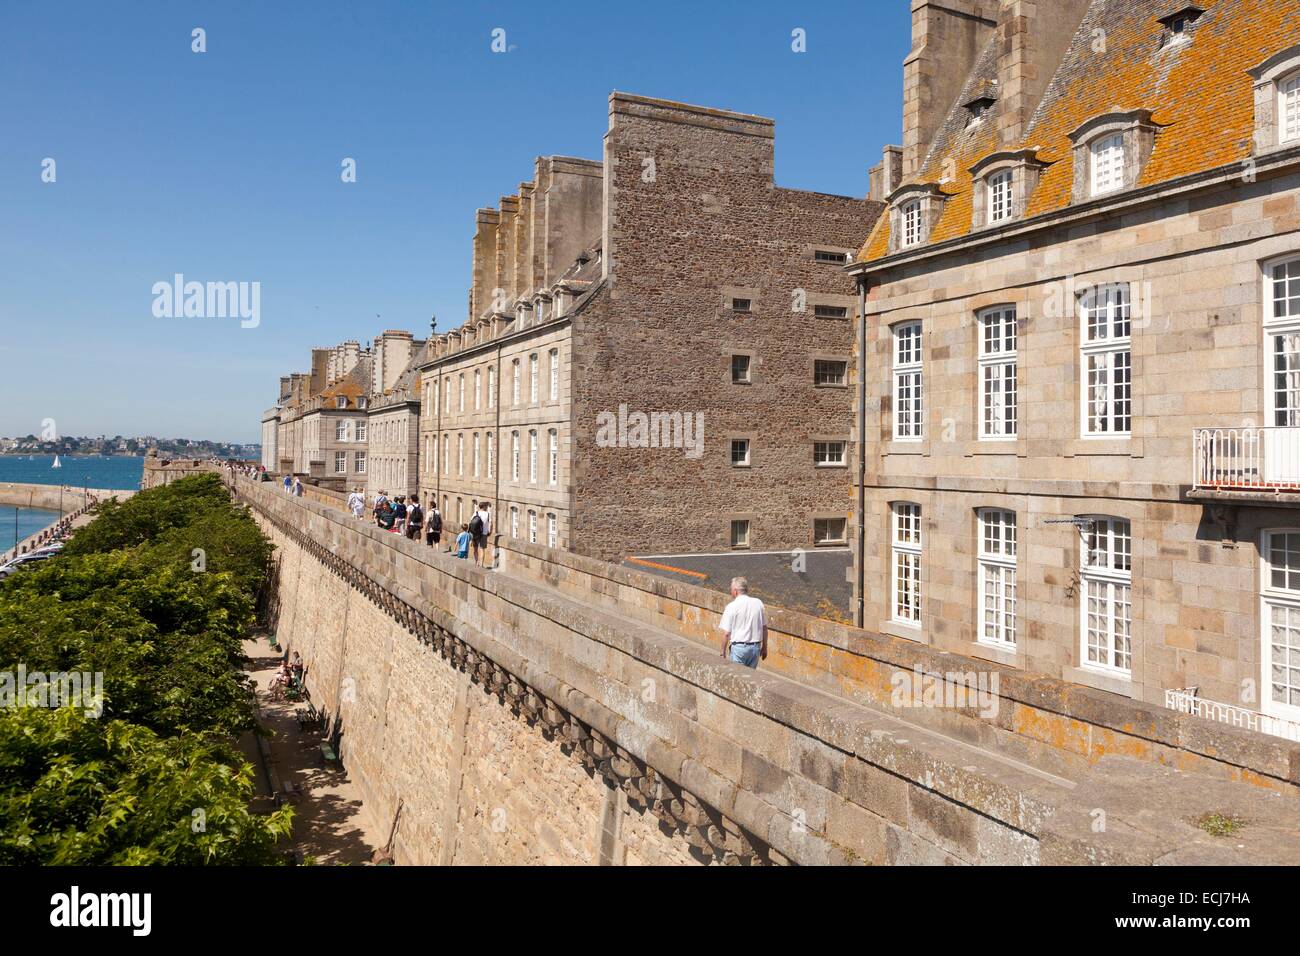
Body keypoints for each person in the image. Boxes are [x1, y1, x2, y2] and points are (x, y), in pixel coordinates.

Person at [718, 576, 767, 669]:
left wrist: (722, 651)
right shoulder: (758, 603)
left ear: (735, 591)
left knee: (737, 677)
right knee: (750, 678)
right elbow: (764, 628)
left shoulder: (731, 606)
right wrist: (765, 647)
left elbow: (726, 634)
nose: (730, 592)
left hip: (739, 649)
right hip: (755, 648)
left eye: (731, 589)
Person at [472, 501, 492, 567]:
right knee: (482, 549)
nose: (486, 507)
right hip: (483, 533)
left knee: (475, 549)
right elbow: (491, 524)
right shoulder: (487, 514)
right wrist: (490, 531)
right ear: (483, 507)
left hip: (475, 533)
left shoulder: (475, 513)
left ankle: (476, 562)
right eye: (486, 506)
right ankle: (482, 564)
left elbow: (471, 522)